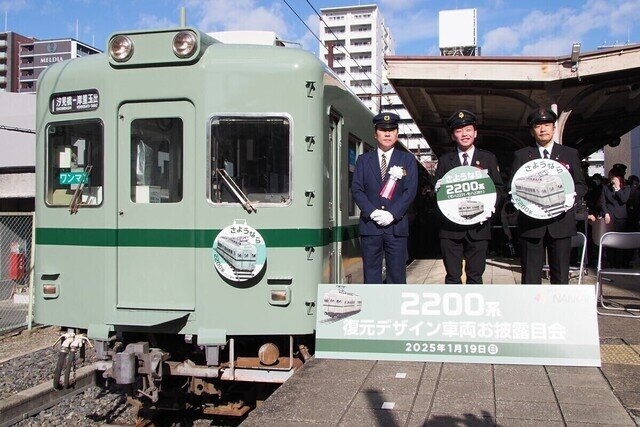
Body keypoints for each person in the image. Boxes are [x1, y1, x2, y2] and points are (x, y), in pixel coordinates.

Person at [511, 107, 587, 284]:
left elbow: (581, 185)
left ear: (554, 128)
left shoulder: (570, 153)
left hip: (560, 223)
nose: (543, 129)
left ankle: (559, 311)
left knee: (560, 276)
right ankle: (531, 310)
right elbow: (512, 187)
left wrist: (570, 199)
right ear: (532, 131)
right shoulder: (521, 155)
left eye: (546, 125)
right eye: (538, 126)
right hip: (531, 225)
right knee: (530, 277)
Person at [434, 110, 504, 284]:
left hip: (478, 228)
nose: (464, 134)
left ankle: (474, 309)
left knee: (475, 276)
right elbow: (435, 195)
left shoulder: (488, 158)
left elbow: (499, 189)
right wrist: (437, 191)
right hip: (450, 230)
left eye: (468, 129)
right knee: (452, 277)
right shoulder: (444, 160)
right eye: (459, 130)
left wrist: (490, 208)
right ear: (452, 135)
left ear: (475, 133)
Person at [351, 112, 418, 283]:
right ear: (375, 133)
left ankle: (394, 309)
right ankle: (373, 309)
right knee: (371, 275)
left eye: (391, 130)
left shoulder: (407, 159)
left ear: (397, 133)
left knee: (397, 275)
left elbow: (410, 191)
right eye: (382, 130)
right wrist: (372, 212)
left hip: (396, 228)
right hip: (370, 226)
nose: (387, 134)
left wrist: (392, 214)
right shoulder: (363, 160)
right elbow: (357, 189)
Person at [601, 167, 631, 267]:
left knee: (620, 241)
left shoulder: (626, 188)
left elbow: (624, 199)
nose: (613, 180)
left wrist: (618, 189)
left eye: (615, 178)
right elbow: (603, 202)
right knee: (610, 240)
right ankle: (611, 262)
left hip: (621, 217)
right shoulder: (606, 188)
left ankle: (620, 263)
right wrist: (606, 213)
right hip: (610, 216)